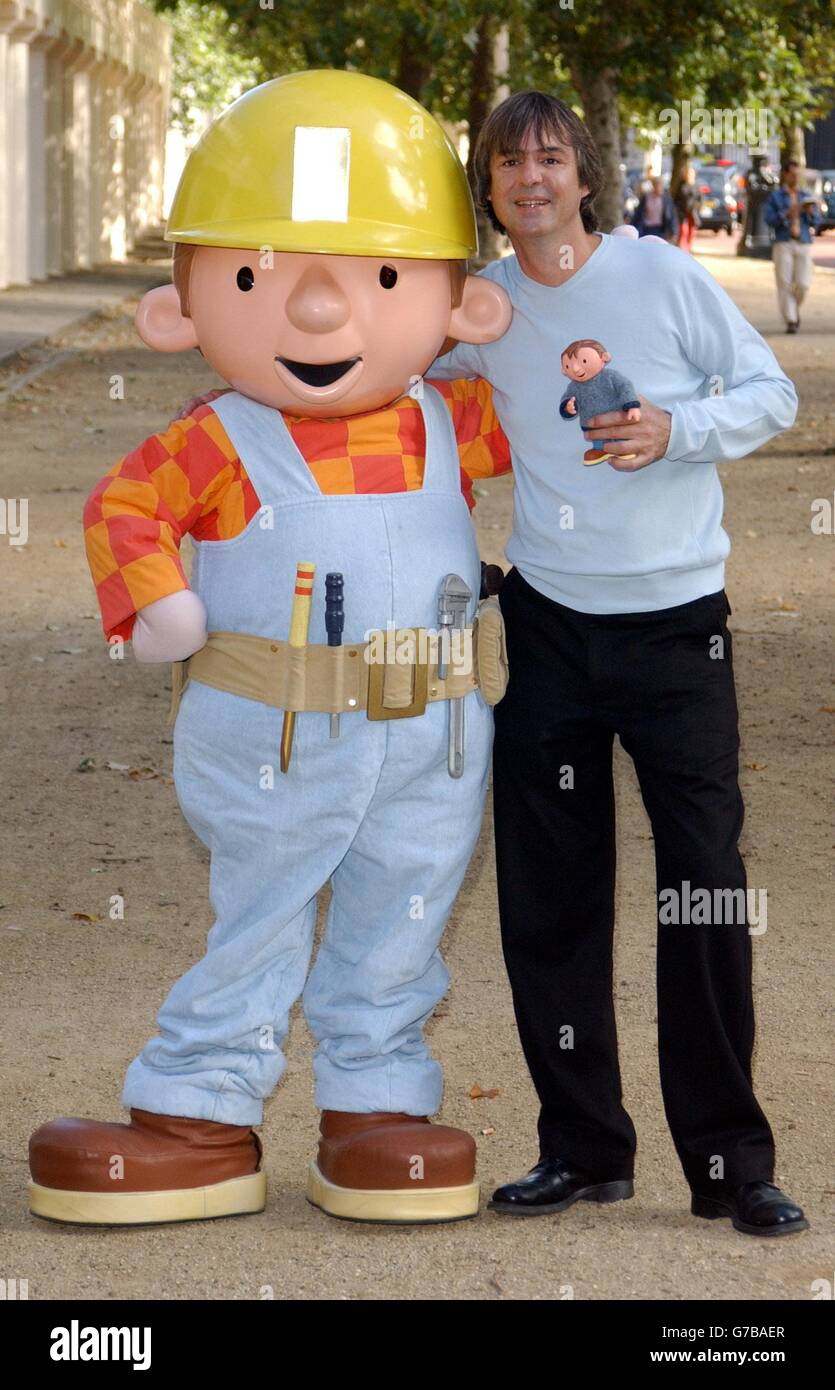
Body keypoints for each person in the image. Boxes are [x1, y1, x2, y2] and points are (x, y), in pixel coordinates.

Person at [27, 70, 515, 1228]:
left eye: (382, 278)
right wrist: (162, 604)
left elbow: (558, 438)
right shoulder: (217, 438)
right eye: (255, 276)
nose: (312, 313)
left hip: (435, 740)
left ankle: (376, 1111)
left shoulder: (453, 419)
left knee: (406, 910)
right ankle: (199, 1112)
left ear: (461, 305)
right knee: (261, 910)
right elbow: (123, 508)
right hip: (273, 737)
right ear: (180, 306)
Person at [428, 89, 809, 1237]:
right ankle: (582, 1147)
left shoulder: (659, 277)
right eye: (506, 165)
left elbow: (772, 391)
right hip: (547, 628)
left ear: (582, 175)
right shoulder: (481, 309)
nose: (529, 179)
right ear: (486, 189)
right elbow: (373, 362)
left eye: (548, 158)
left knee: (701, 892)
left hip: (676, 631)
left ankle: (731, 1166)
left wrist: (672, 431)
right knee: (550, 903)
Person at [765, 161, 821, 333]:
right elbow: (769, 220)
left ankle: (793, 308)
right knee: (784, 282)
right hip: (783, 241)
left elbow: (817, 221)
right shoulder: (776, 197)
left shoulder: (805, 195)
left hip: (803, 241)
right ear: (786, 175)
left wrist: (811, 213)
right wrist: (787, 212)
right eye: (793, 174)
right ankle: (791, 320)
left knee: (803, 284)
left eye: (798, 174)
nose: (796, 178)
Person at [630, 174, 679, 241]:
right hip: (646, 229)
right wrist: (632, 227)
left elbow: (672, 215)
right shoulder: (646, 197)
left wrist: (674, 232)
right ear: (653, 185)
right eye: (656, 184)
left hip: (660, 230)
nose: (658, 187)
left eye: (660, 184)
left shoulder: (666, 199)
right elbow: (638, 214)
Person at [673, 165, 701, 253]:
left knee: (691, 232)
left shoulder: (696, 186)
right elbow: (675, 199)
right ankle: (681, 249)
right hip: (682, 213)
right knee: (683, 231)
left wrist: (696, 207)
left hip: (692, 214)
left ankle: (688, 249)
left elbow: (700, 199)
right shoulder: (681, 185)